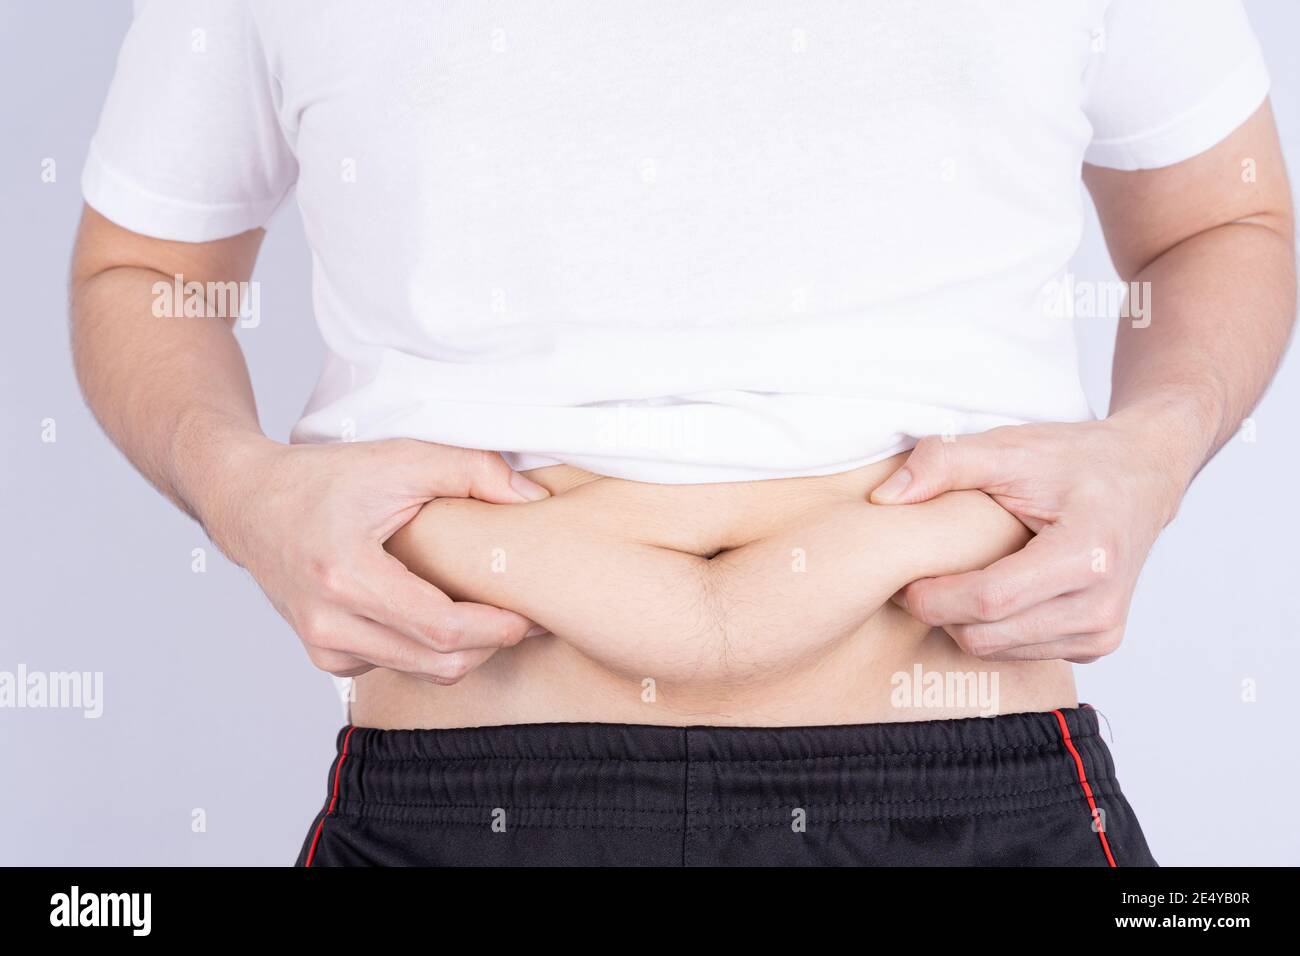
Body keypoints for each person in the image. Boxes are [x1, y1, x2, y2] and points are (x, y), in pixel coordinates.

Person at [71, 0, 1295, 866]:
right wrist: (241, 489)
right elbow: (138, 265)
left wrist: (1155, 447)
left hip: (970, 782)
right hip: (472, 798)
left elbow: (1220, 223)